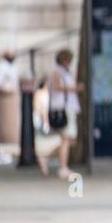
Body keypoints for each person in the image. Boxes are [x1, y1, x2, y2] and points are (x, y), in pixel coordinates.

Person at [41, 48, 81, 177]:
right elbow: (57, 87)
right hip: (63, 108)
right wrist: (75, 88)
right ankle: (62, 167)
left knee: (69, 139)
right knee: (66, 138)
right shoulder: (57, 72)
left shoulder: (66, 72)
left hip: (69, 107)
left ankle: (47, 157)